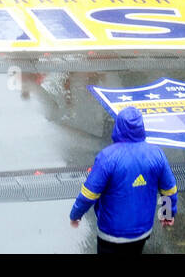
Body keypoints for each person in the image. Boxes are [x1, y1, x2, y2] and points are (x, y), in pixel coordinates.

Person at [69, 106, 178, 254]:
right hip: (142, 231)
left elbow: (89, 194)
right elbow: (169, 189)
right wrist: (167, 214)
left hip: (111, 234)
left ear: (118, 127)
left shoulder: (107, 157)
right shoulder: (156, 154)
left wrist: (76, 215)